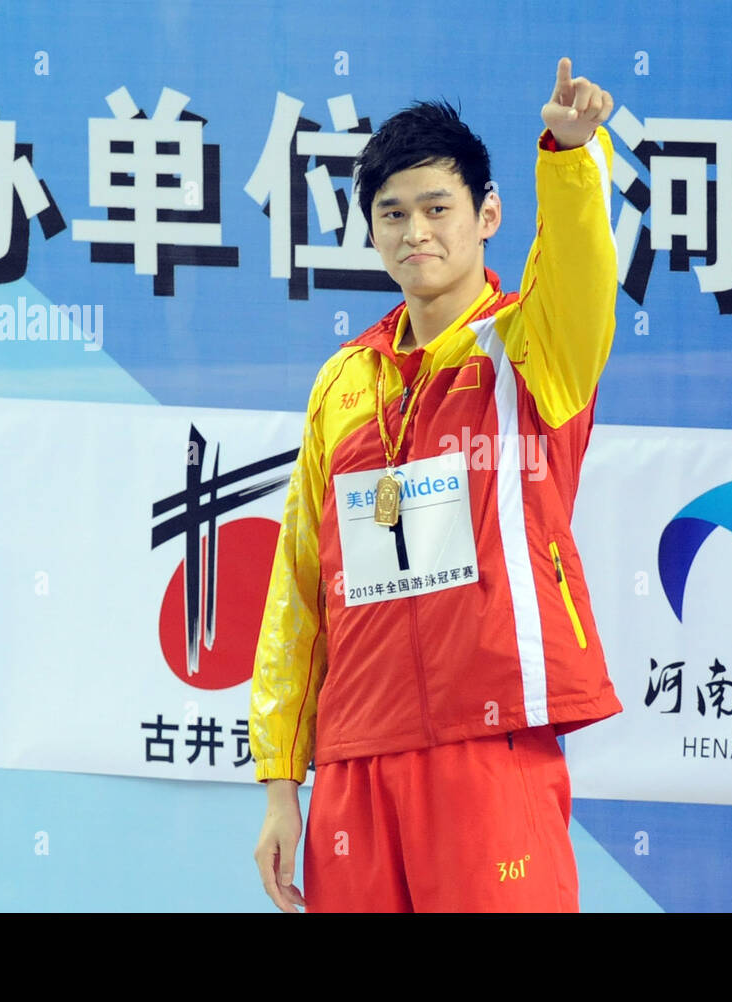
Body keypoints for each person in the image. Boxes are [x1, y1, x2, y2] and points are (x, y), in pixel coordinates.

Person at [250, 56, 621, 912]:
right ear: (372, 233)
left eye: (437, 208)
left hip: (487, 743)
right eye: (392, 214)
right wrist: (281, 785)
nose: (416, 231)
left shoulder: (532, 349)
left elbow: (582, 278)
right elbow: (297, 589)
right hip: (354, 760)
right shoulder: (342, 385)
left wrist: (570, 160)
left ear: (488, 215)